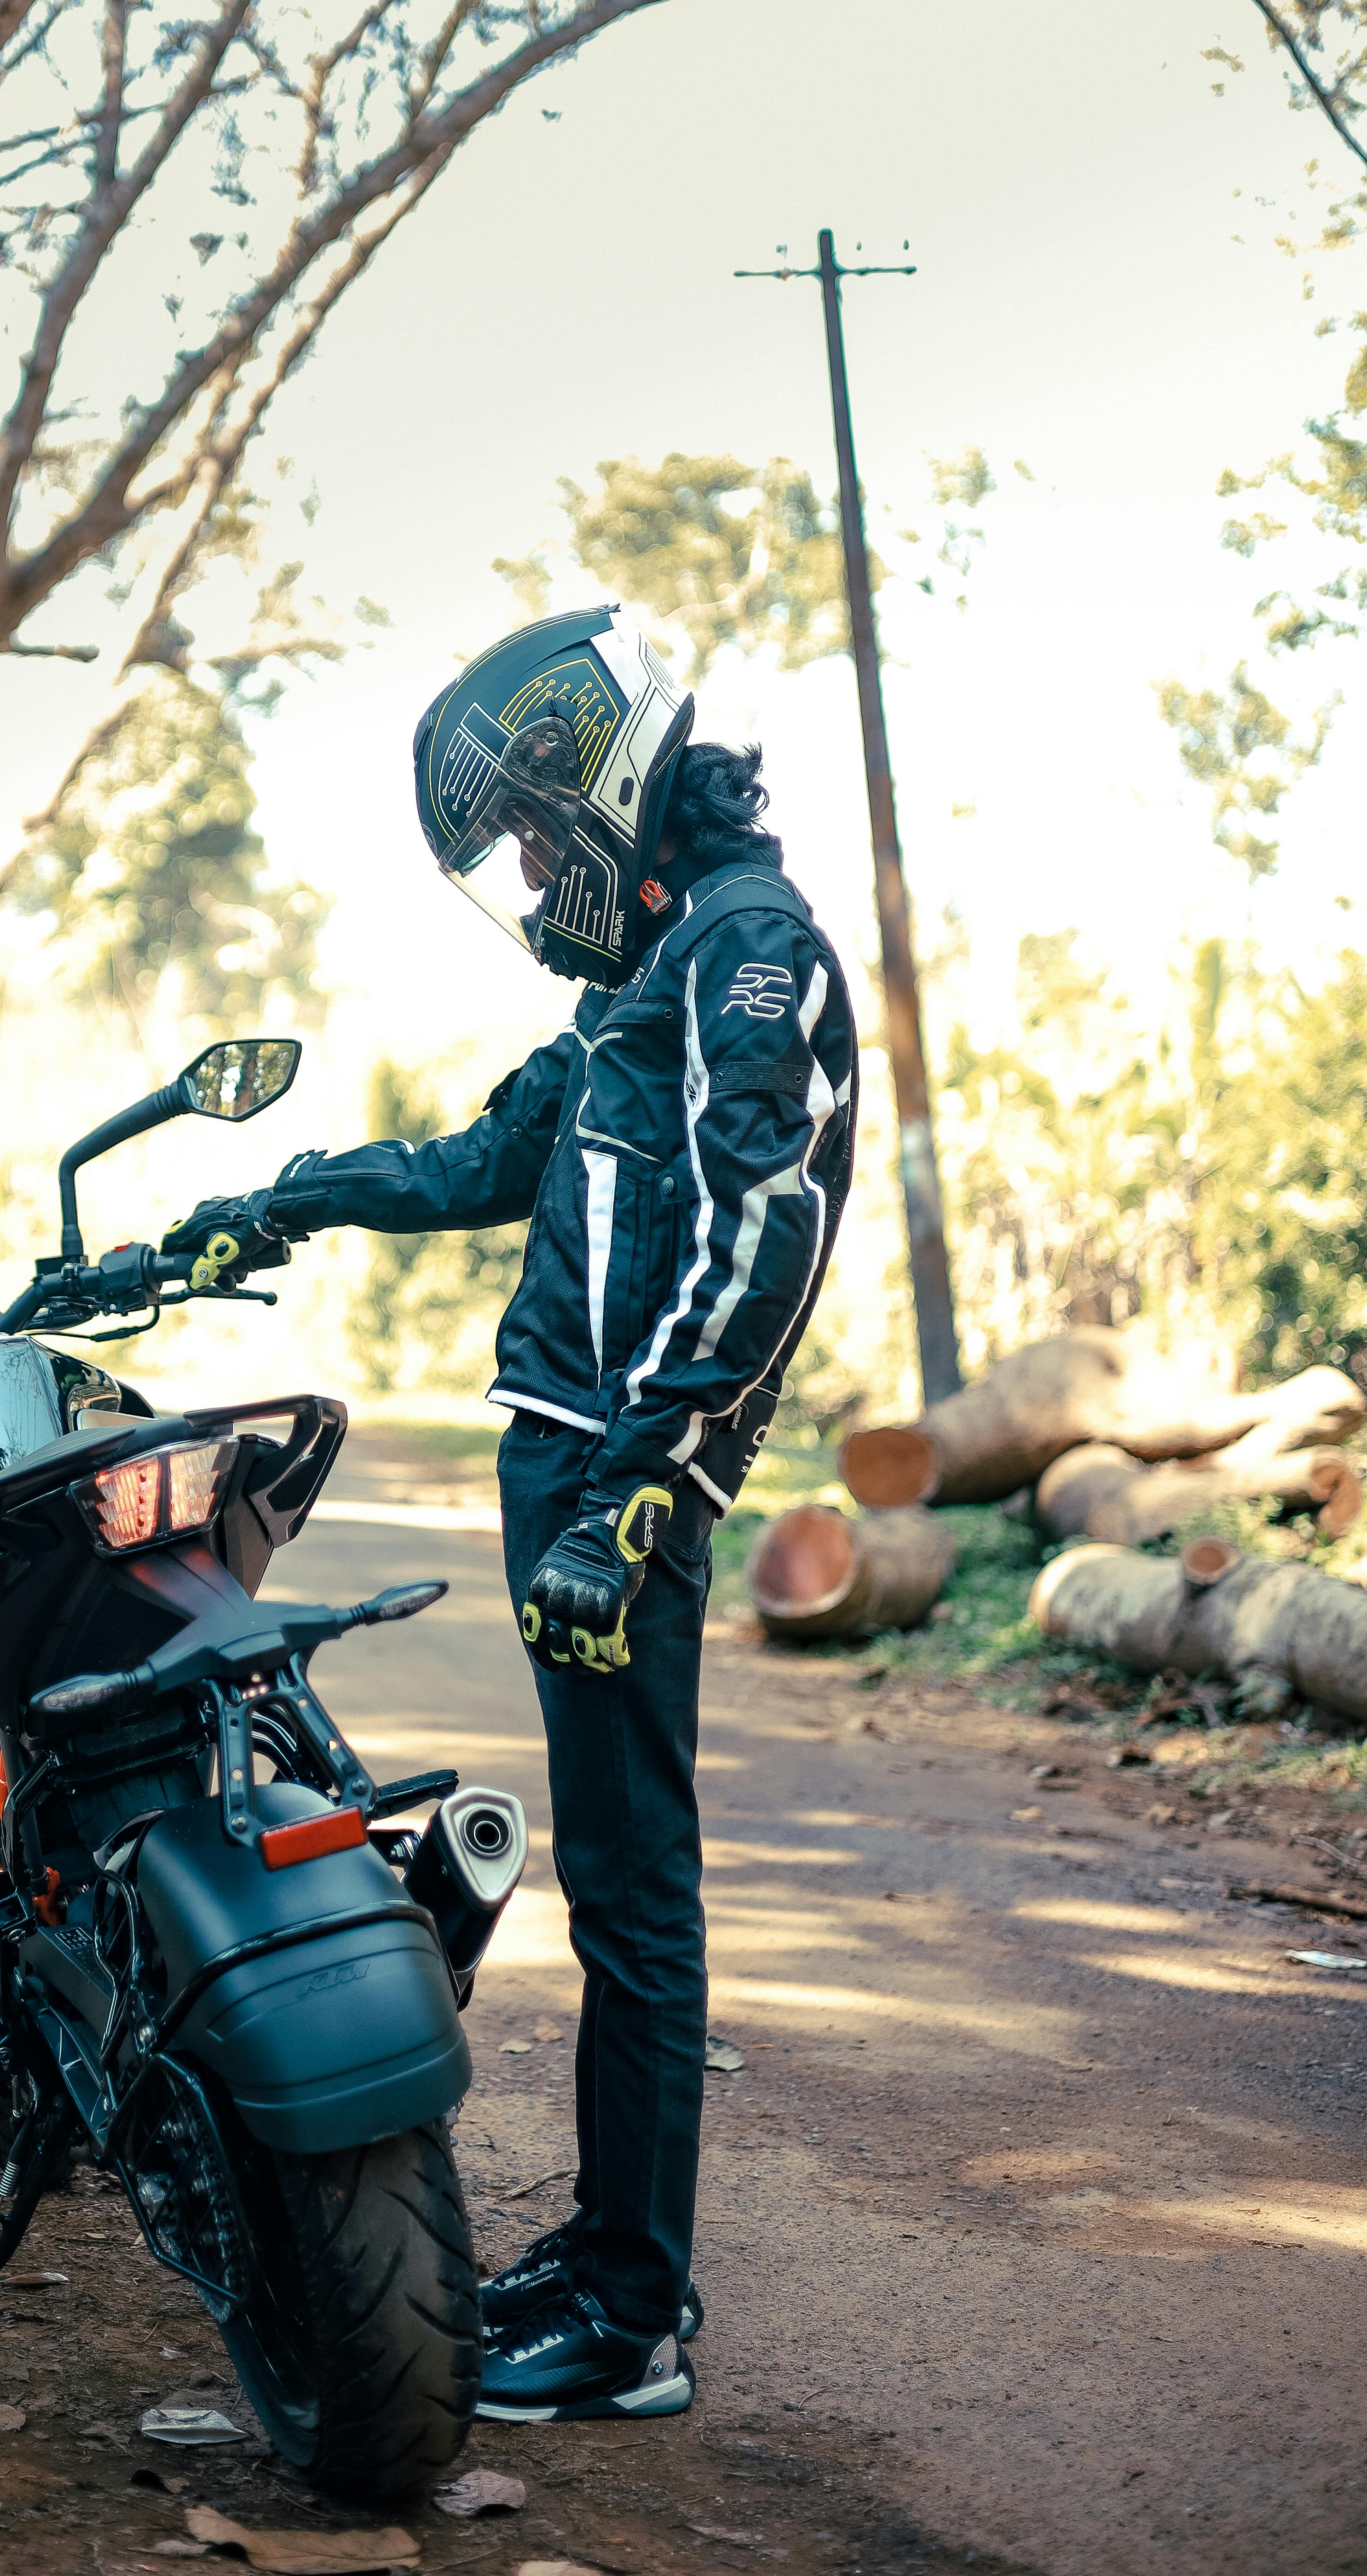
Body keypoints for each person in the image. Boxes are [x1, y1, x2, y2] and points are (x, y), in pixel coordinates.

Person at [161, 607, 859, 2423]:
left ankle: (633, 2314)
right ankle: (615, 2252)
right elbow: (487, 1155)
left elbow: (763, 1224)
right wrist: (289, 1196)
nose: (532, 876)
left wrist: (634, 1482)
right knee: (613, 1880)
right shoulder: (648, 973)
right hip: (571, 1465)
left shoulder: (746, 952)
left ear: (607, 786)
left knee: (635, 1894)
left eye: (538, 836)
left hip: (619, 1480)